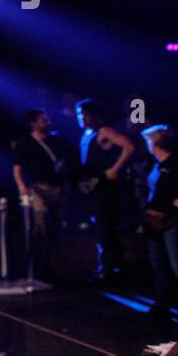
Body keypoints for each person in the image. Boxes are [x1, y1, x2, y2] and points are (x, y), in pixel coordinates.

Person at [75, 98, 136, 283]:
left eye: (84, 114)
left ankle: (109, 268)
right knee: (100, 227)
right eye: (79, 115)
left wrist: (114, 169)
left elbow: (129, 146)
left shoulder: (104, 131)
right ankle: (112, 266)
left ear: (93, 115)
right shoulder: (86, 134)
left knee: (104, 227)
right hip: (92, 185)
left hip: (104, 186)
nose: (81, 118)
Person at [140, 125, 178, 316]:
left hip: (173, 221)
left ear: (155, 142)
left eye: (147, 141)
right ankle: (161, 304)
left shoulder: (177, 162)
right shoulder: (155, 164)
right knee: (158, 265)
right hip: (154, 221)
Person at [13, 108, 66, 281]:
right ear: (33, 124)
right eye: (43, 120)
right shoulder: (25, 143)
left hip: (57, 187)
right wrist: (22, 186)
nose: (47, 122)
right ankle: (37, 266)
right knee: (41, 227)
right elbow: (17, 167)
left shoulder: (56, 140)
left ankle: (51, 265)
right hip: (38, 188)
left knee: (56, 229)